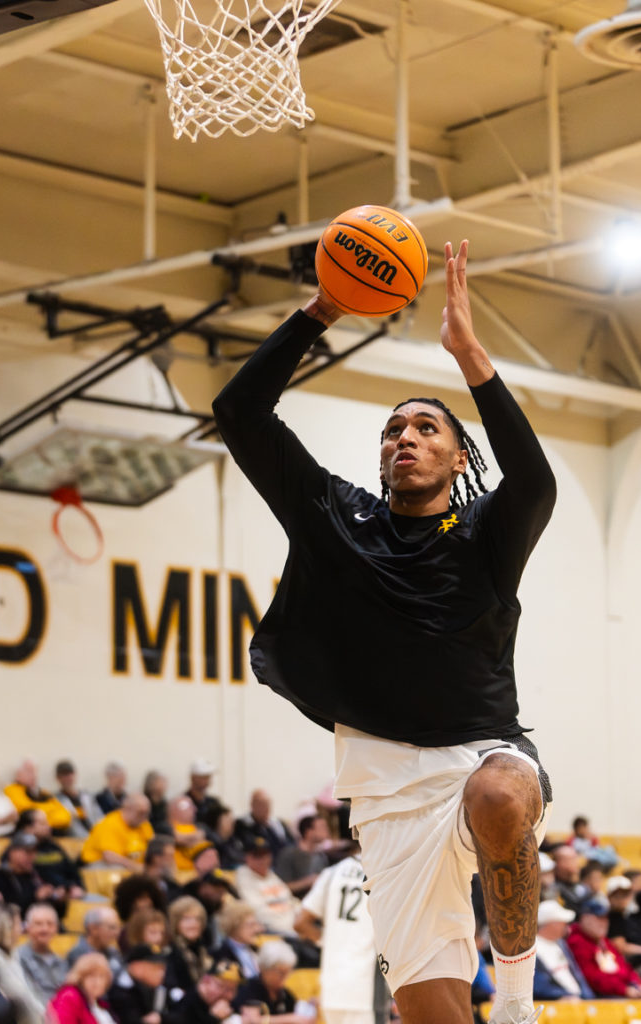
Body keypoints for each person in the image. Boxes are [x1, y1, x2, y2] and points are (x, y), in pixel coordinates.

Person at [213, 242, 557, 1024]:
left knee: (503, 793)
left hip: (479, 751)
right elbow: (238, 412)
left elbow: (534, 481)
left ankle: (514, 1000)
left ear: (458, 455)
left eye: (426, 428)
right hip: (382, 786)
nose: (404, 437)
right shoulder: (335, 517)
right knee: (429, 1015)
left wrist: (471, 359)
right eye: (393, 429)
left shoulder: (485, 536)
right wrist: (327, 305)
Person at [296, 853, 383, 1024]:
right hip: (365, 988)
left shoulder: (332, 872)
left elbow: (300, 922)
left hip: (332, 988)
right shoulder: (382, 869)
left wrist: (326, 940)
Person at [566, 897, 641, 998]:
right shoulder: (576, 942)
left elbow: (625, 967)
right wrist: (624, 989)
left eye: (605, 918)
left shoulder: (604, 941)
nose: (604, 923)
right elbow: (593, 978)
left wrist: (638, 984)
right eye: (599, 918)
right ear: (584, 918)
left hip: (622, 991)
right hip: (602, 997)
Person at [235, 838, 299, 938]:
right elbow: (258, 913)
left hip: (294, 924)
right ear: (247, 857)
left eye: (265, 855)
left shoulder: (270, 874)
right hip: (274, 931)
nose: (263, 860)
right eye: (257, 856)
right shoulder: (244, 876)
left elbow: (290, 899)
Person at [21, 809, 88, 906]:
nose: (48, 826)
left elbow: (73, 872)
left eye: (47, 822)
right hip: (41, 900)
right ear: (28, 828)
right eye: (42, 823)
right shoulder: (20, 850)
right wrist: (51, 891)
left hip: (66, 893)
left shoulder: (54, 847)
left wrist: (75, 887)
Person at [235, 941, 312, 1024]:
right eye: (281, 972)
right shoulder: (249, 989)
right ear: (265, 968)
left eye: (288, 972)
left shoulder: (284, 994)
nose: (284, 977)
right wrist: (289, 1019)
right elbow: (251, 1021)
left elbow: (298, 1013)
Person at [533, 900, 591, 1000]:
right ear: (552, 924)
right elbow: (538, 984)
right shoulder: (533, 948)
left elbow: (577, 976)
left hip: (579, 1002)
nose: (566, 925)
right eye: (562, 922)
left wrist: (587, 997)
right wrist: (560, 996)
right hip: (558, 1006)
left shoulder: (561, 945)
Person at [83, 794, 156, 867]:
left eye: (147, 813)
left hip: (132, 866)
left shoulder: (144, 824)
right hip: (102, 866)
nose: (144, 817)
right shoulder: (110, 823)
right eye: (141, 813)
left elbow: (154, 847)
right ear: (127, 808)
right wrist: (135, 867)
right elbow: (109, 857)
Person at [16, 902, 67, 1006]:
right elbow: (27, 999)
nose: (45, 929)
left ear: (56, 929)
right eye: (38, 924)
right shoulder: (18, 958)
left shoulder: (61, 962)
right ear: (28, 927)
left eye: (50, 924)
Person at [110, 944, 173, 1024]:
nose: (162, 974)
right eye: (156, 968)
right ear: (137, 967)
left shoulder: (152, 988)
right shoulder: (119, 992)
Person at [0, 833, 48, 917]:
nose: (32, 856)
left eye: (35, 851)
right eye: (28, 852)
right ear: (12, 852)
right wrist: (36, 897)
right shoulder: (0, 876)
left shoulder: (35, 874)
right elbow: (7, 909)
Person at [49, 952, 116, 1024]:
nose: (97, 982)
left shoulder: (99, 1003)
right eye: (92, 976)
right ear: (81, 977)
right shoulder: (69, 996)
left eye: (101, 976)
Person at [275, 816, 330, 899]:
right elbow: (281, 887)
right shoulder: (289, 854)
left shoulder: (321, 855)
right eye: (322, 827)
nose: (326, 831)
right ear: (309, 832)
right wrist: (308, 882)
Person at [167, 896, 215, 989]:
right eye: (186, 919)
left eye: (198, 919)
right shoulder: (171, 954)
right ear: (175, 923)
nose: (193, 924)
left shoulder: (205, 950)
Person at [234, 791, 294, 862]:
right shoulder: (243, 825)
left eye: (268, 805)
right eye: (262, 805)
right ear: (252, 805)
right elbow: (252, 846)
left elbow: (291, 844)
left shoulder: (277, 824)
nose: (266, 809)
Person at [70, 905, 126, 975]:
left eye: (118, 928)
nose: (117, 933)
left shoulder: (114, 952)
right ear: (93, 929)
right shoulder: (78, 955)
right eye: (112, 928)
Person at [217, 902, 265, 981]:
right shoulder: (221, 955)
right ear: (235, 926)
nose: (257, 929)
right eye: (251, 925)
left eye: (256, 924)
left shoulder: (256, 949)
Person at [55, 760, 99, 835]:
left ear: (75, 775)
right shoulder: (56, 801)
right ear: (58, 778)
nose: (68, 778)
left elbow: (99, 817)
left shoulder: (87, 796)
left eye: (70, 774)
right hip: (75, 841)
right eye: (64, 775)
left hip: (96, 837)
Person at [184, 761, 227, 830]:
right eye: (203, 777)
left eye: (208, 777)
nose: (207, 781)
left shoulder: (213, 802)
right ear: (193, 778)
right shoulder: (184, 802)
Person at [549, 845, 583, 912]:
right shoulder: (550, 884)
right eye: (568, 860)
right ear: (557, 863)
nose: (574, 864)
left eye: (574, 859)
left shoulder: (581, 883)